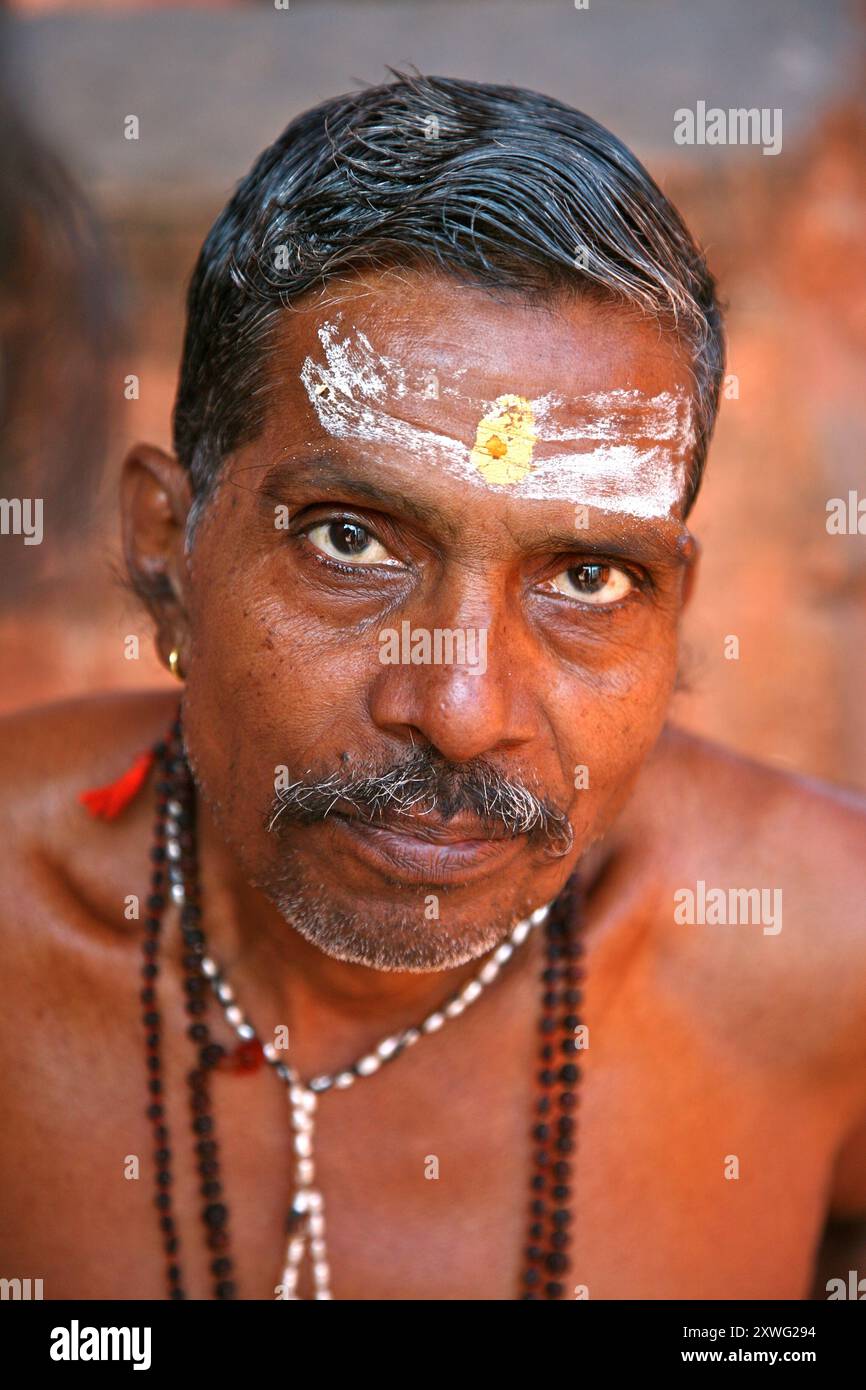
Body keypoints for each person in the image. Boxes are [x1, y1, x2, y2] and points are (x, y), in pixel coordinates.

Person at [1, 72, 864, 1302]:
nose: (458, 710)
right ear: (165, 550)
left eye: (584, 574)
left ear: (674, 605)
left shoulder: (827, 965)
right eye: (351, 539)